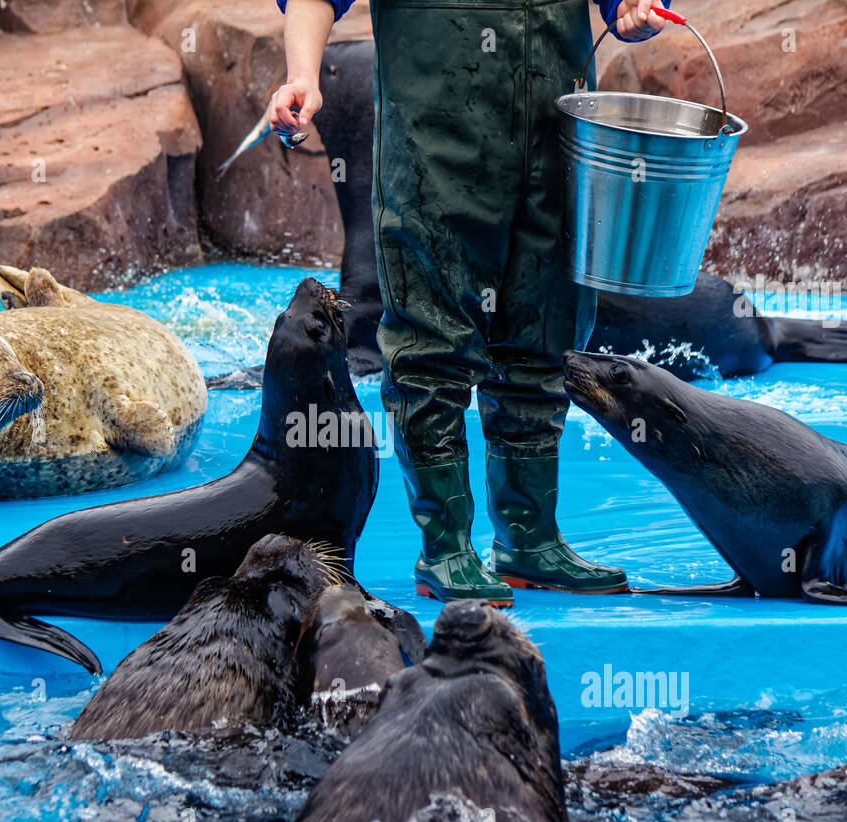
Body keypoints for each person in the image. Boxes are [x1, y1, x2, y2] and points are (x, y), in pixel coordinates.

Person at [271, 0, 669, 605]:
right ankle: (446, 547)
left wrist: (631, 9)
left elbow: (621, 10)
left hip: (553, 138)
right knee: (432, 339)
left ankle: (529, 539)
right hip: (438, 145)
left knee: (545, 332)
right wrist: (302, 73)